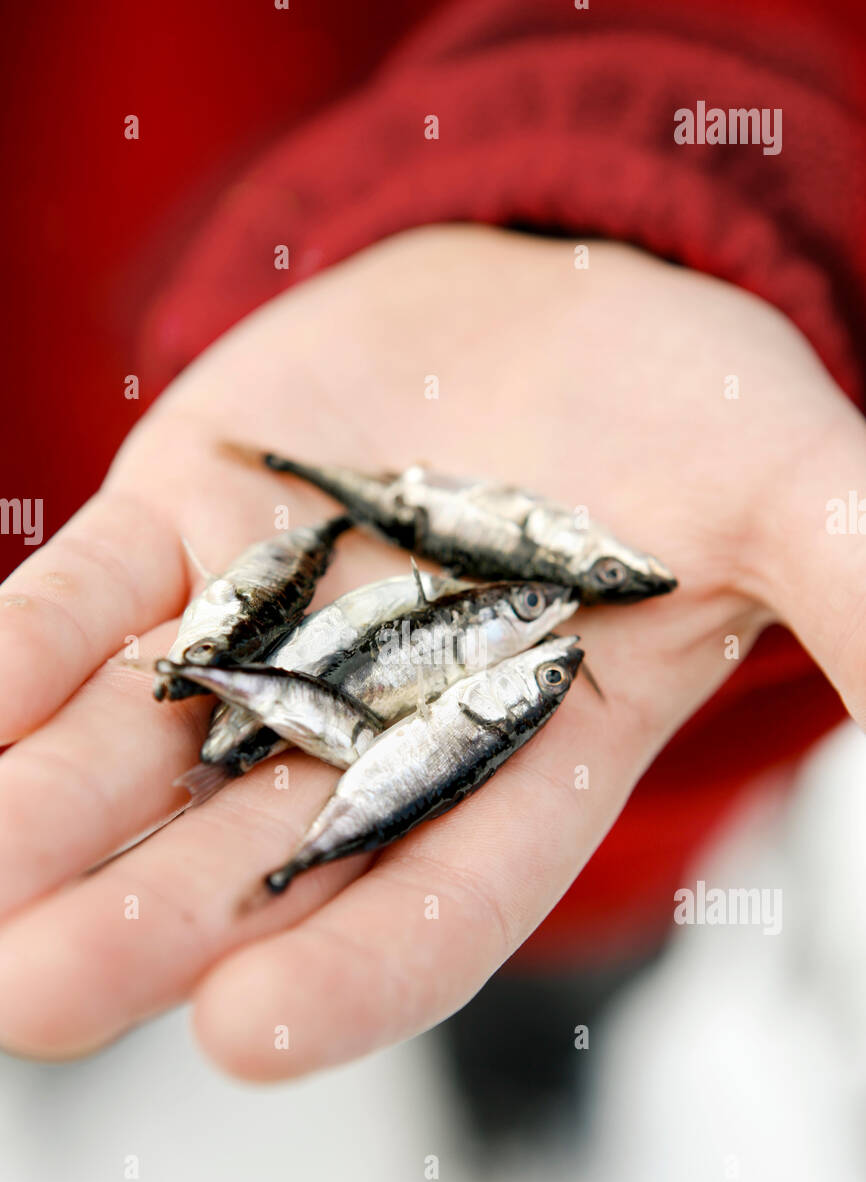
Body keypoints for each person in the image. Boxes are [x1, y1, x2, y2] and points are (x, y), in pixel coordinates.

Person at [0, 0, 863, 1121]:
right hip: (69, 397)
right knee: (67, 849)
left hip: (640, 787)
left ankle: (534, 1022)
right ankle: (72, 986)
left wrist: (658, 158)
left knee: (538, 907)